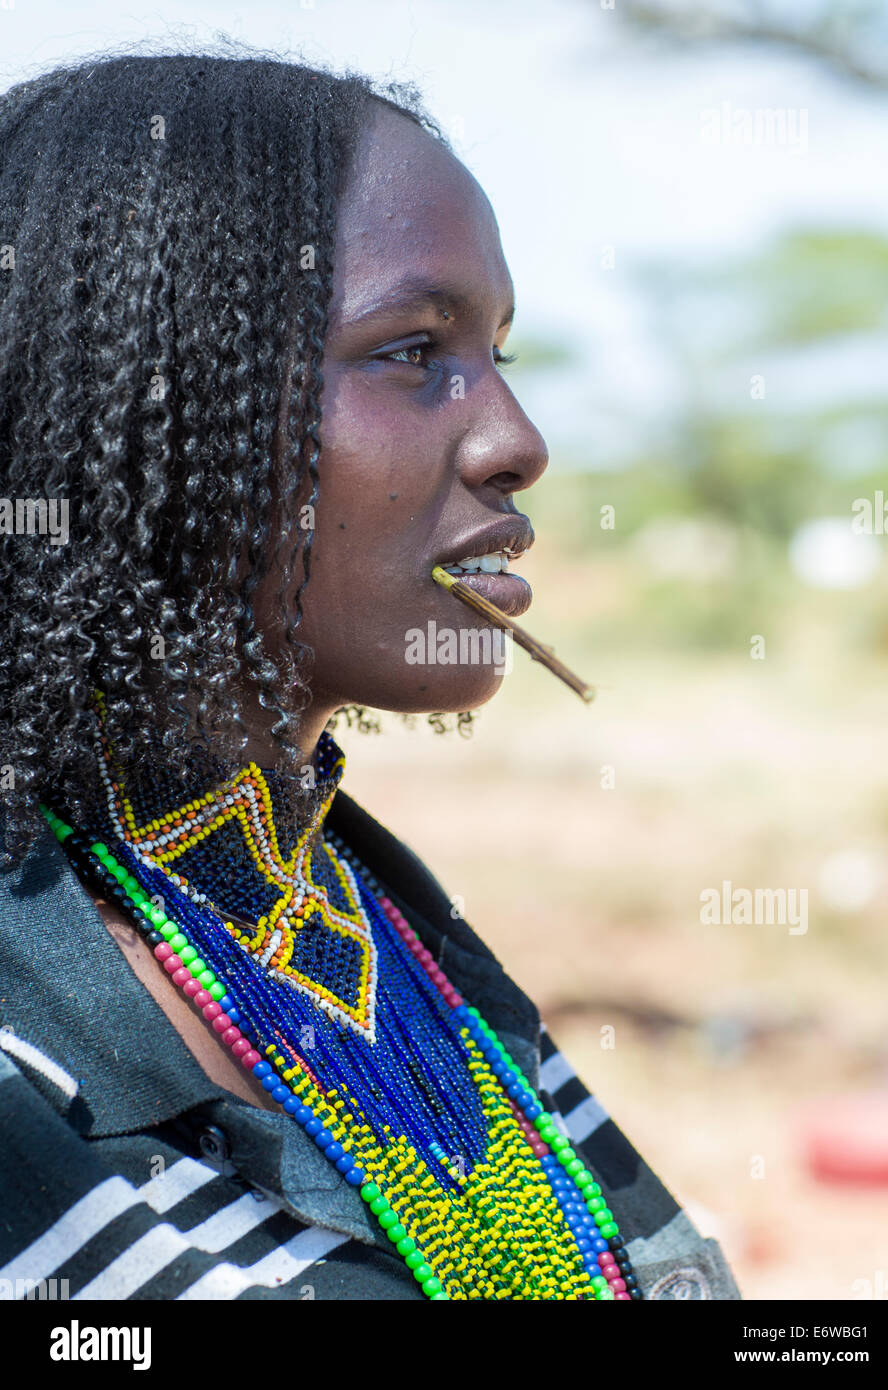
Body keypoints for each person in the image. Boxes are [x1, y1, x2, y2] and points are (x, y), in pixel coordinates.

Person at [0, 49, 740, 1301]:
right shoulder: (35, 1028)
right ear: (147, 406)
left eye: (500, 352)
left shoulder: (360, 919)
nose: (518, 442)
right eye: (411, 351)